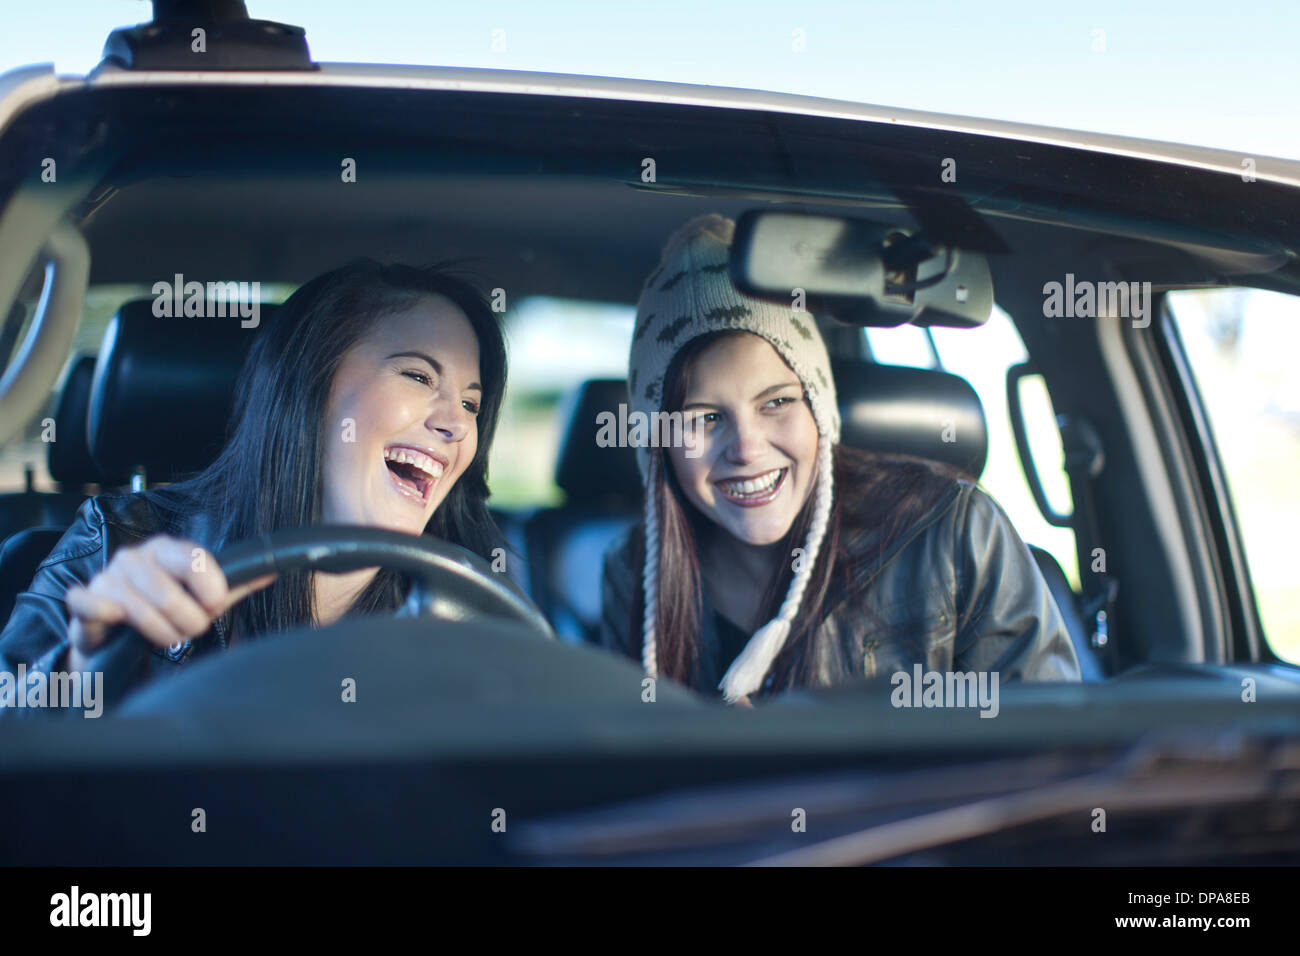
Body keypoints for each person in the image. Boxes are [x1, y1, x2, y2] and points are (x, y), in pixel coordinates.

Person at [599, 214, 1080, 704]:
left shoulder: (956, 532)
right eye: (703, 418)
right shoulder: (632, 570)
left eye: (777, 402)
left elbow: (1056, 751)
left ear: (819, 412)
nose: (746, 448)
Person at [0, 259, 510, 708]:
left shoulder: (469, 603)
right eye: (419, 377)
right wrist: (83, 668)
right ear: (309, 383)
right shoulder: (115, 544)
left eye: (470, 403)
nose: (458, 425)